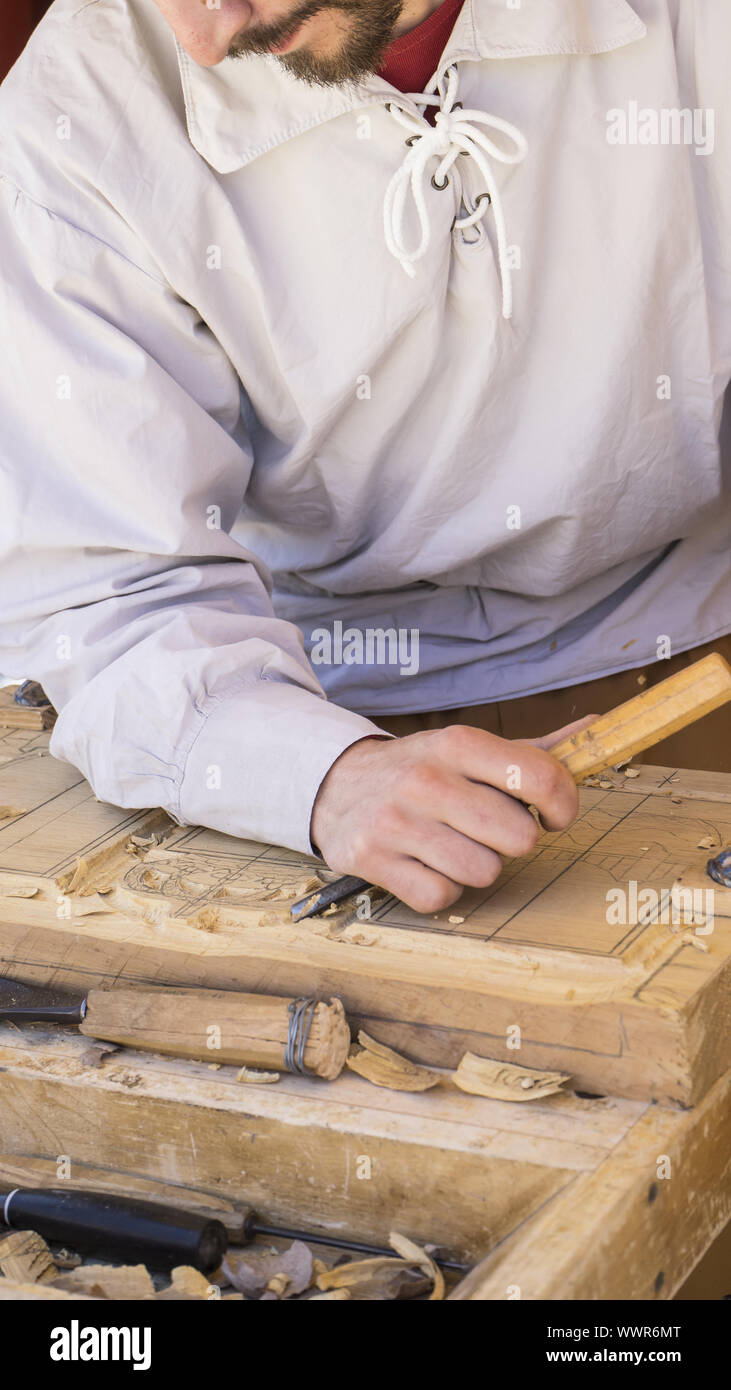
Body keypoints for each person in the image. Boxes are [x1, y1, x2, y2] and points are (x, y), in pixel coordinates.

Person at [0, 0, 729, 913]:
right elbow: (111, 599)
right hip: (318, 716)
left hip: (693, 647)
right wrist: (318, 775)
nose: (206, 37)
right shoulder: (73, 119)